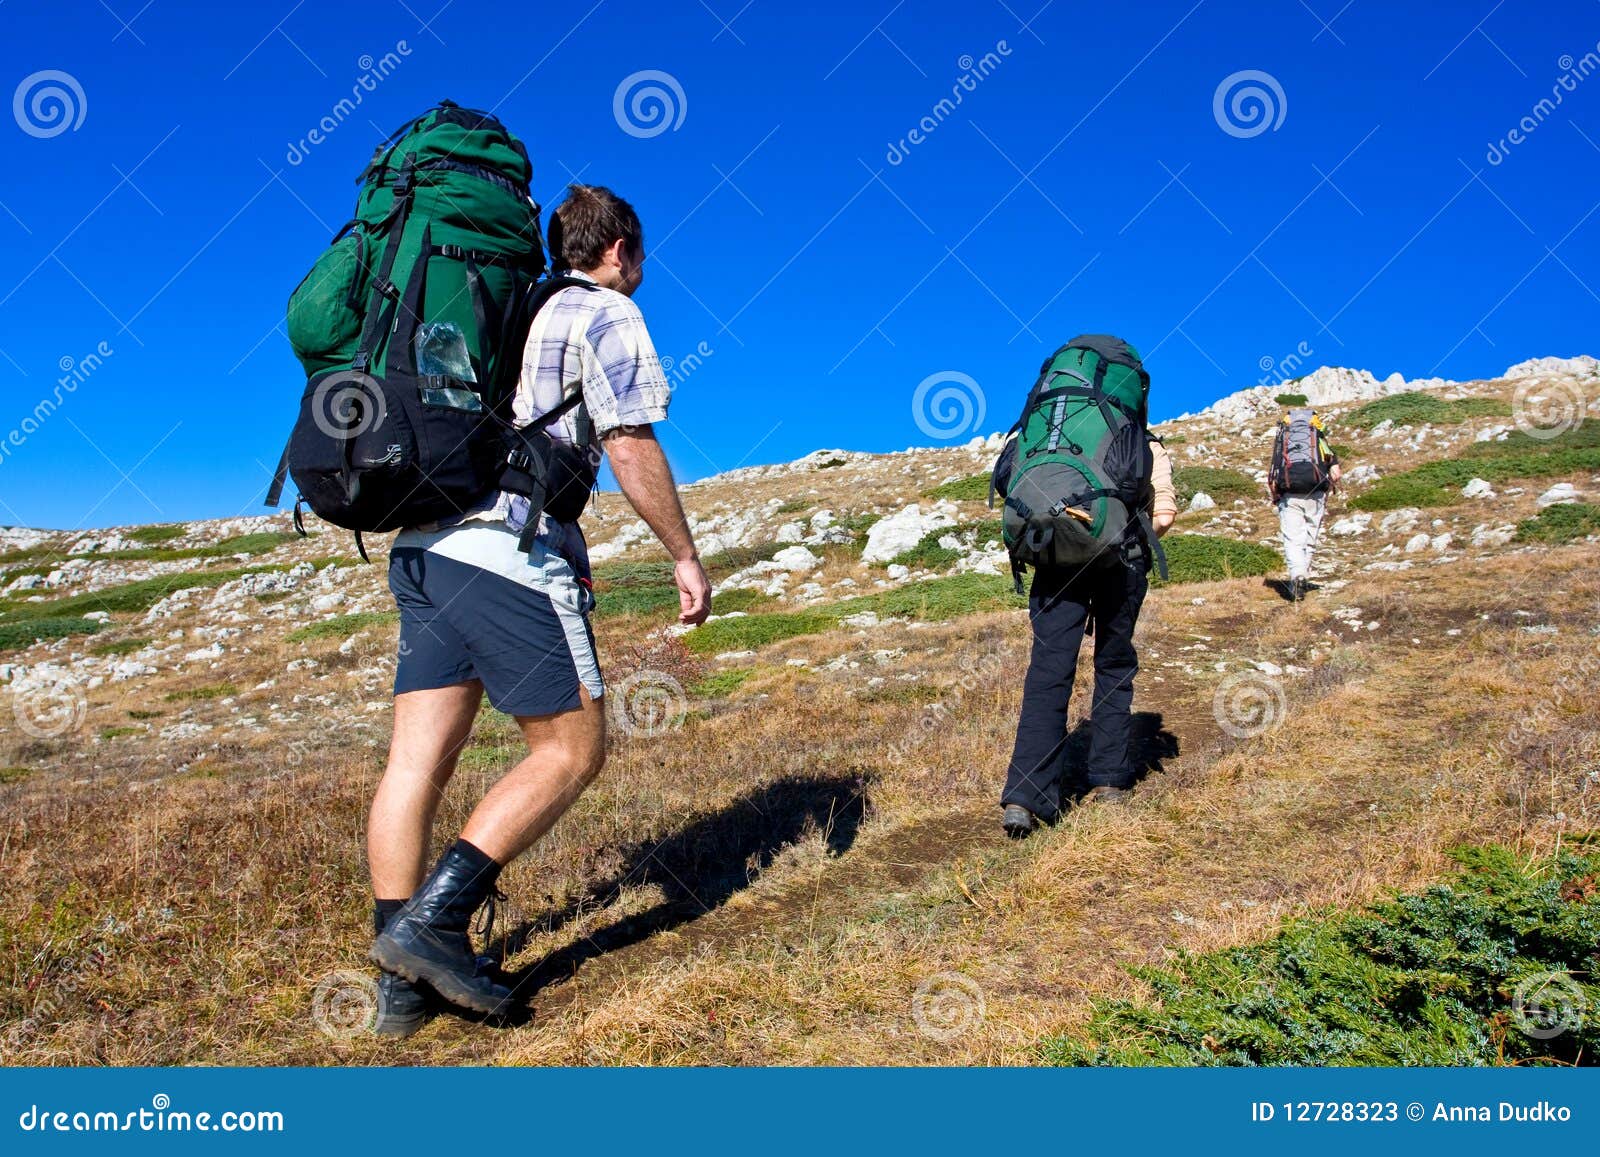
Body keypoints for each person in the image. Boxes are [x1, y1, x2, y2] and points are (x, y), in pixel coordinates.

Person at [365, 184, 713, 1034]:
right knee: (571, 747)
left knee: (416, 764)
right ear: (621, 249)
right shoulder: (607, 310)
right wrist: (684, 553)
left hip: (423, 546)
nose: (642, 270)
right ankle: (433, 928)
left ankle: (401, 991)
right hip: (506, 548)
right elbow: (628, 440)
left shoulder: (510, 308)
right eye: (641, 256)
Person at [999, 438, 1177, 836]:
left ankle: (1023, 798)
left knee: (1048, 669)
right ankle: (1108, 781)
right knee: (1113, 665)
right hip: (1122, 559)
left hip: (1055, 557)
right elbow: (1163, 517)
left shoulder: (1042, 432)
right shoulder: (1144, 443)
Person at [1266, 408, 1341, 602]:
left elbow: (1274, 472)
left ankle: (1297, 575)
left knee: (1293, 538)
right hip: (1315, 493)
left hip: (1290, 494)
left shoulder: (1284, 439)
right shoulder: (1318, 439)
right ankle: (1303, 577)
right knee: (1310, 535)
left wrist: (1276, 497)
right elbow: (1336, 473)